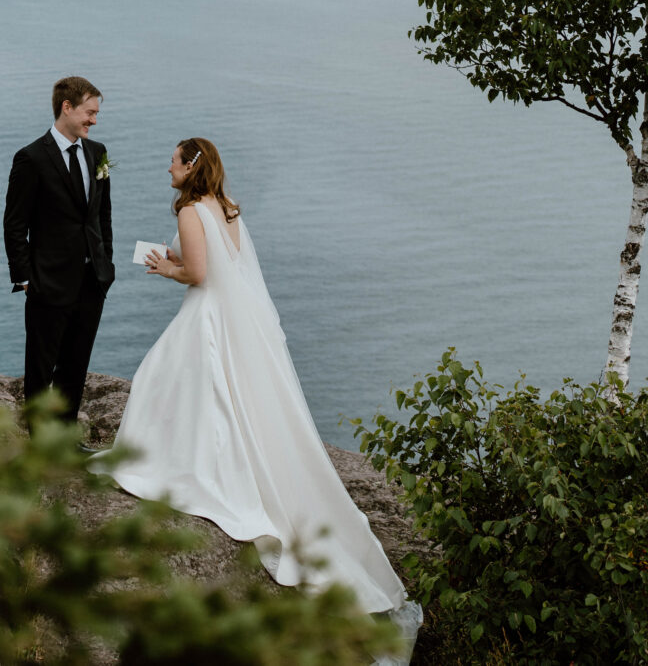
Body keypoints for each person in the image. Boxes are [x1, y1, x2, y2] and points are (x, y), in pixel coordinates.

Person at [102, 137, 422, 649]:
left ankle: (188, 463)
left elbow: (200, 275)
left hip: (209, 317)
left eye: (174, 161)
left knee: (163, 377)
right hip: (242, 318)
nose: (168, 167)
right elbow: (230, 267)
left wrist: (168, 269)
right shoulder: (225, 207)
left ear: (190, 168)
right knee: (230, 397)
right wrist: (181, 261)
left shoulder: (188, 209)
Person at [3, 76, 115, 428]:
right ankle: (39, 445)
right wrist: (23, 279)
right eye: (90, 112)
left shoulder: (98, 153)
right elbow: (15, 224)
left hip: (90, 280)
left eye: (96, 114)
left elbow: (102, 215)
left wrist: (105, 265)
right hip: (47, 281)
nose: (94, 120)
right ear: (67, 107)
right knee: (41, 365)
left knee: (76, 363)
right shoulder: (31, 158)